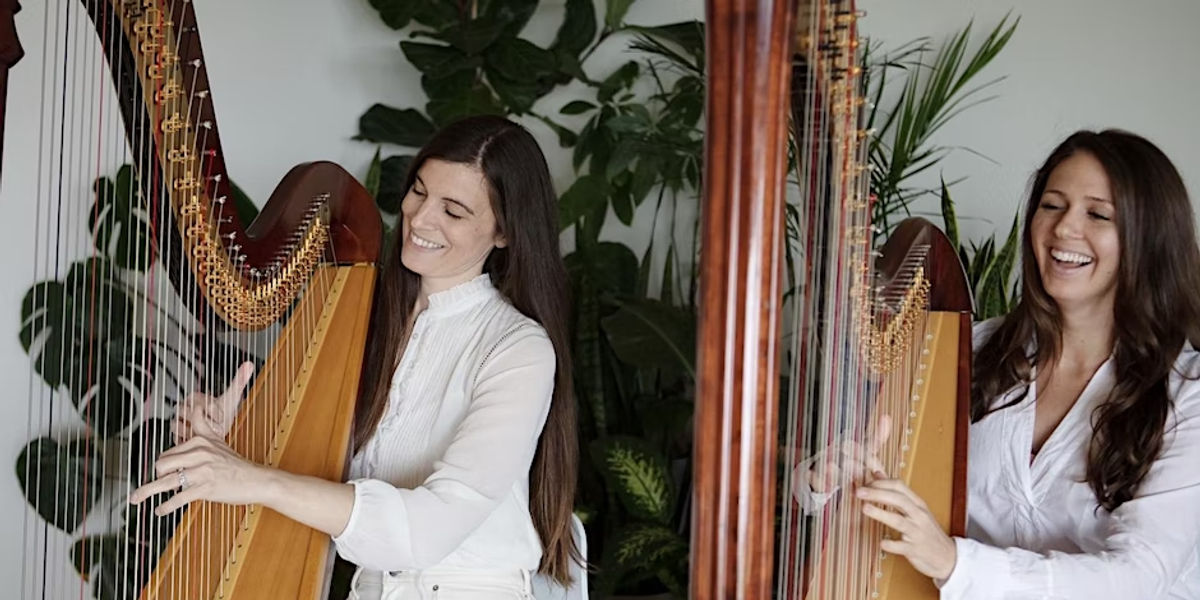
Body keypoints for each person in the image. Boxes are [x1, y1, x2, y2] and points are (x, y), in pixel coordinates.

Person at [129, 114, 584, 599]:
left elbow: (431, 528)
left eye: (453, 211)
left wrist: (251, 477)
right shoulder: (366, 323)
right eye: (419, 191)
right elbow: (319, 479)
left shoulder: (517, 348)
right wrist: (229, 440)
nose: (421, 217)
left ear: (504, 234)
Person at [799, 129, 1200, 598]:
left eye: (1098, 214)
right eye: (1052, 205)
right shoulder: (973, 350)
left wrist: (955, 563)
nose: (1065, 229)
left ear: (1149, 239)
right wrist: (821, 480)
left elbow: (1138, 574)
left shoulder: (1187, 394)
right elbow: (884, 480)